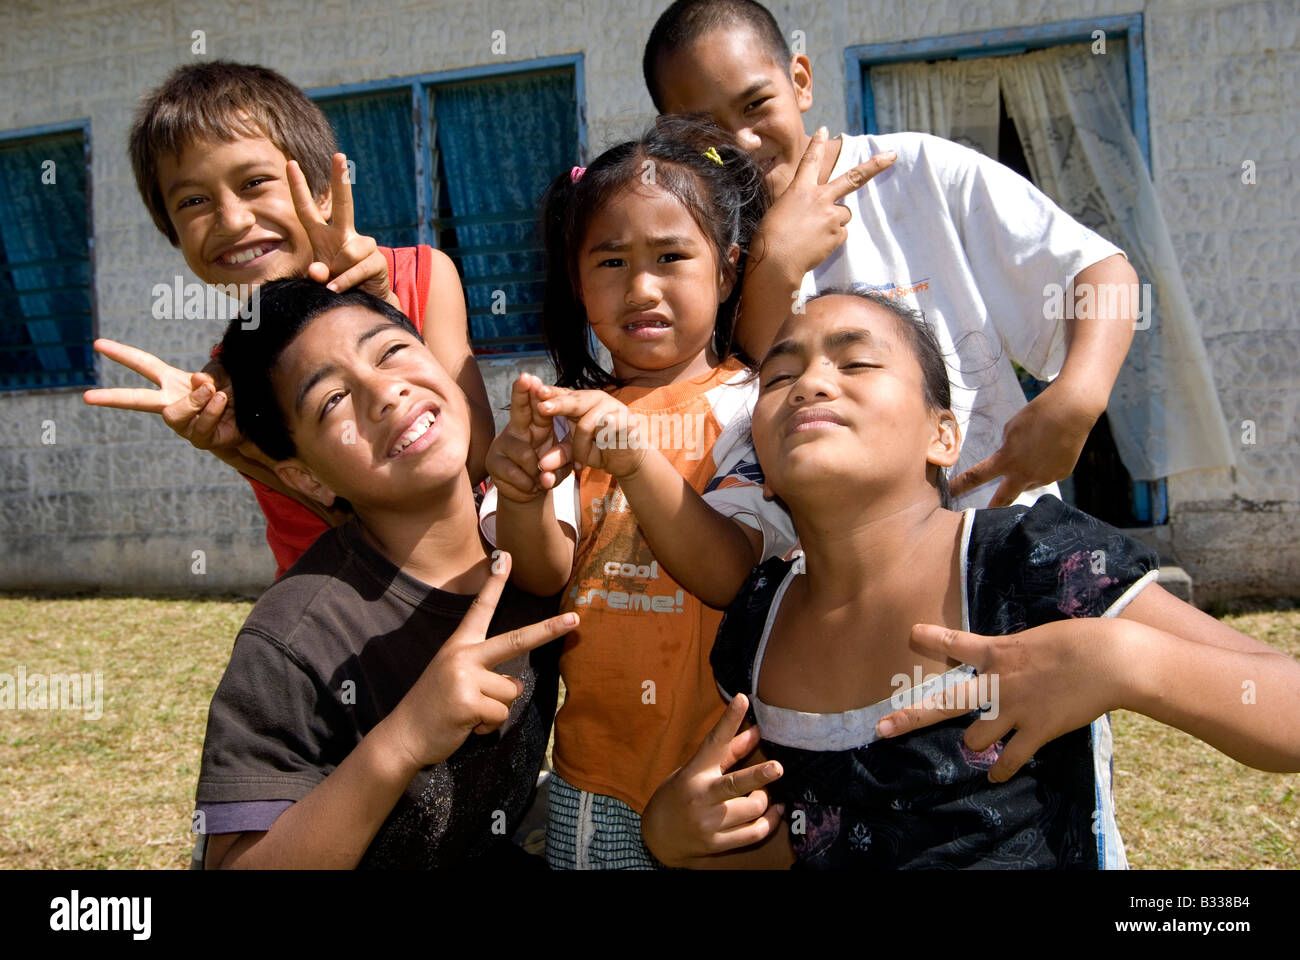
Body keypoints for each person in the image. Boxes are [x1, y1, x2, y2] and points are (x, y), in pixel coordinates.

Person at [639, 290, 1300, 869]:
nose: (811, 382)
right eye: (780, 374)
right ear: (765, 468)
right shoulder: (756, 624)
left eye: (857, 361)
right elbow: (798, 843)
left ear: (943, 436)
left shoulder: (1027, 560)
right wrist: (674, 833)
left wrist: (1121, 660)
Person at [643, 0, 1140, 509]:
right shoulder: (684, 243)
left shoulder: (918, 173)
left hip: (992, 537)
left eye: (756, 104)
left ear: (800, 79)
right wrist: (775, 260)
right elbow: (742, 386)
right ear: (672, 134)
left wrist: (1077, 399)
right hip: (814, 570)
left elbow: (1101, 272)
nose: (743, 141)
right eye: (707, 130)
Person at [479, 115, 798, 869]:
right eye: (612, 261)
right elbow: (541, 571)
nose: (642, 286)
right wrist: (523, 489)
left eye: (671, 256)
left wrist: (632, 457)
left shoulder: (754, 409)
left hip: (726, 773)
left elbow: (727, 572)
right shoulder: (566, 415)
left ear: (727, 271)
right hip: (595, 772)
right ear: (577, 281)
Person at [192, 278, 572, 869]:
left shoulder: (532, 547)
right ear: (307, 479)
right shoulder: (295, 640)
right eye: (332, 401)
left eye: (391, 351)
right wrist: (405, 738)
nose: (385, 393)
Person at [82, 61, 495, 576]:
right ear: (173, 232)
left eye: (254, 182)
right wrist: (230, 448)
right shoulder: (229, 378)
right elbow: (345, 520)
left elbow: (477, 456)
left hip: (467, 570)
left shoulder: (419, 276)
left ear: (322, 191)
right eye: (193, 201)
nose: (232, 221)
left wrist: (385, 305)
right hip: (331, 608)